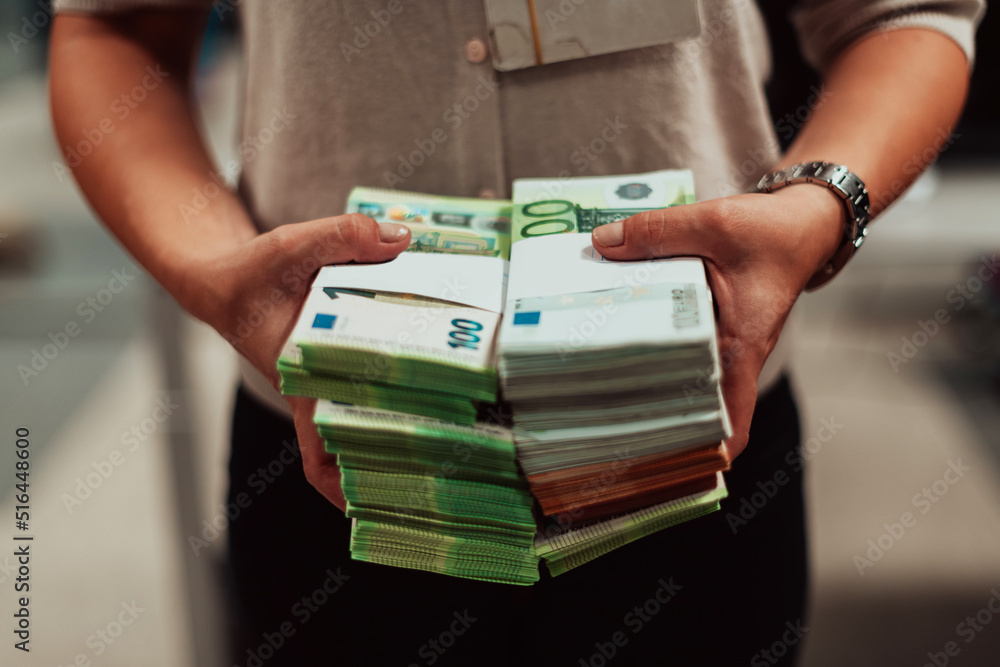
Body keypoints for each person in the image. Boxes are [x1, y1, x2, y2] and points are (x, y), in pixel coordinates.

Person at [49, 1, 984, 664]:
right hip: (340, 452)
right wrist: (213, 270)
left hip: (687, 440)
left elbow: (904, 14)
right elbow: (116, 23)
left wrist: (823, 205)